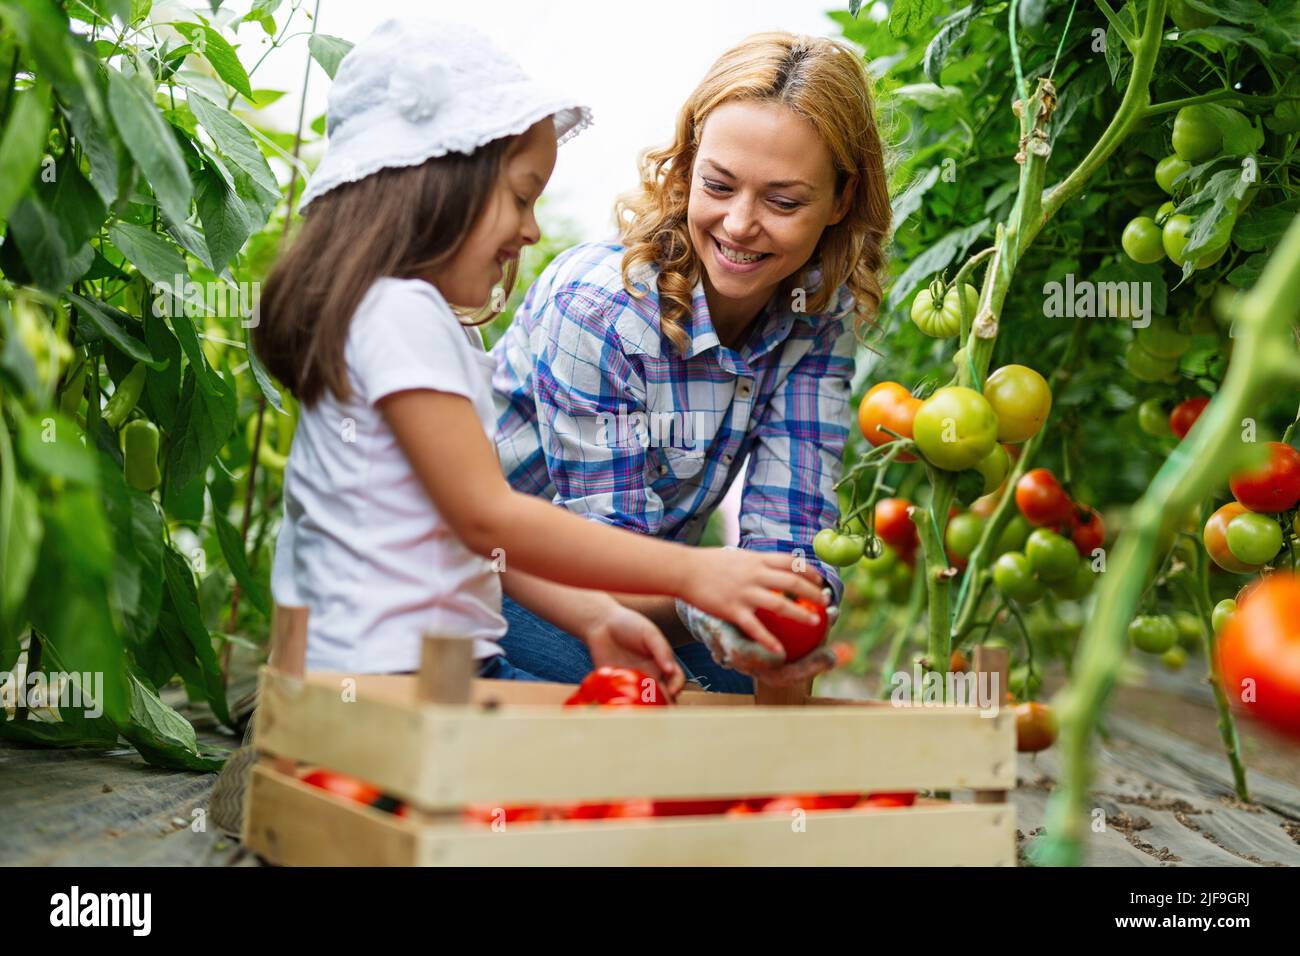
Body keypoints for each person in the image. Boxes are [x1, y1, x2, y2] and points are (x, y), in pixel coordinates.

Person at [255, 19, 827, 693]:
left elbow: (471, 533)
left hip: (445, 668)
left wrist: (590, 616)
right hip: (378, 679)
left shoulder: (434, 328)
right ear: (436, 185)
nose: (530, 228)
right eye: (521, 197)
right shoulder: (397, 317)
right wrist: (695, 574)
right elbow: (488, 516)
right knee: (611, 755)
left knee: (626, 727)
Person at [491, 31, 891, 691]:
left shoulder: (817, 319)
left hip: (651, 587)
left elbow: (790, 523)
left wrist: (791, 606)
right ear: (685, 170)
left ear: (841, 202)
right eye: (719, 185)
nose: (739, 224)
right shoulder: (602, 309)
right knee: (655, 707)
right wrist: (728, 608)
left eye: (783, 201)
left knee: (737, 685)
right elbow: (605, 563)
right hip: (502, 576)